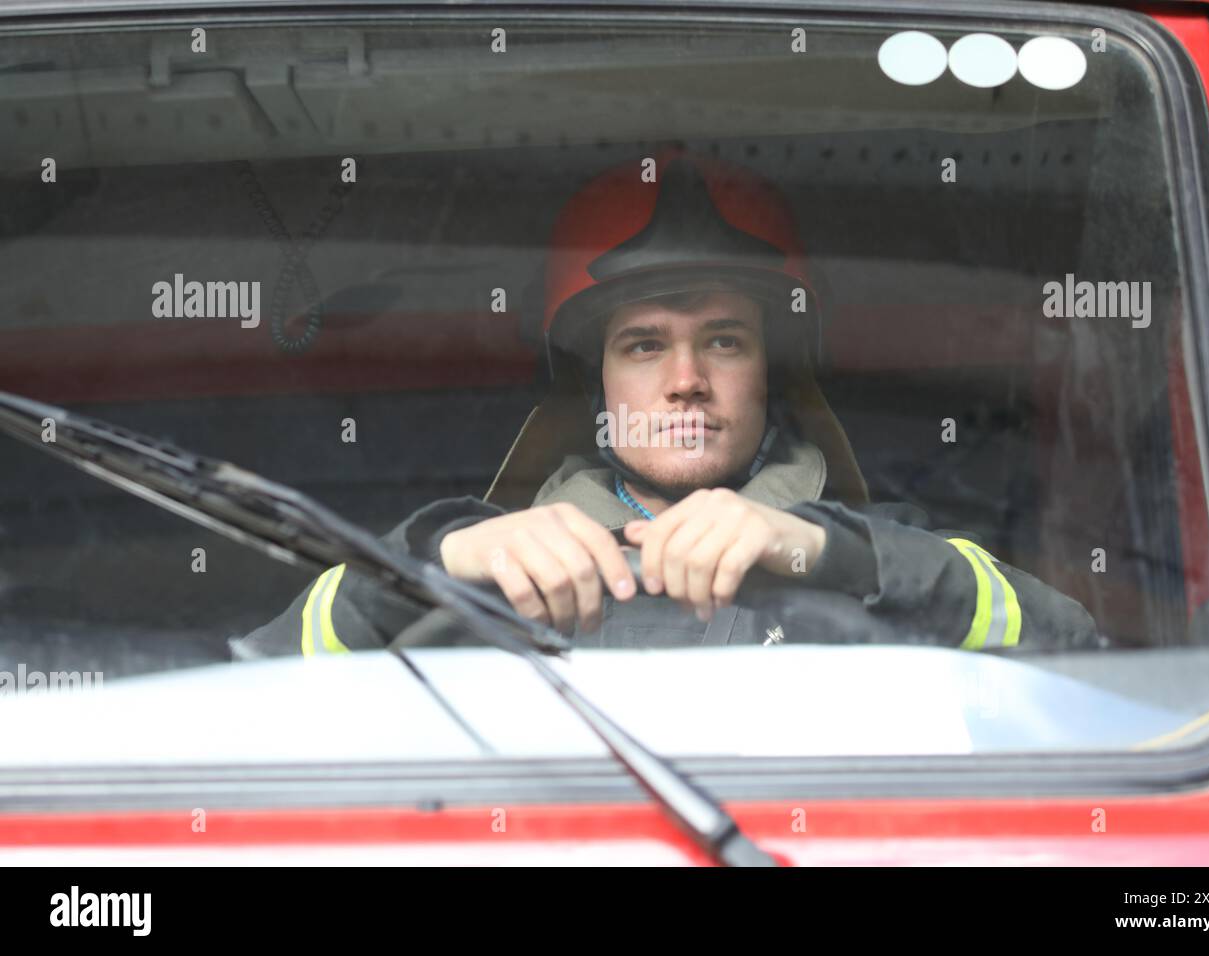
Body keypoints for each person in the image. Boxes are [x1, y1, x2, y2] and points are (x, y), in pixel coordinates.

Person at [231, 149, 1099, 659]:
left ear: (772, 371)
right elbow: (259, 677)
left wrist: (824, 556)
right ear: (594, 383)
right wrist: (438, 561)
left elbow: (1078, 653)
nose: (686, 378)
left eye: (724, 340)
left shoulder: (872, 554)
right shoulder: (490, 570)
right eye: (643, 344)